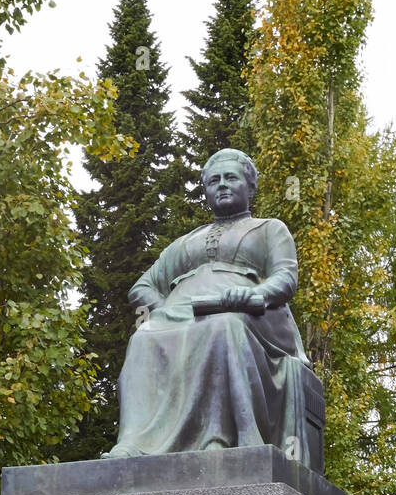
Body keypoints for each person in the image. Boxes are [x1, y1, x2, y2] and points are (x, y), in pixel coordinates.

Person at [103, 148, 317, 463]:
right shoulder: (185, 243)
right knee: (143, 339)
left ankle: (218, 437)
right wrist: (162, 311)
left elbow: (285, 278)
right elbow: (143, 286)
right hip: (182, 317)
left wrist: (254, 295)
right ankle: (134, 441)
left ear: (250, 187)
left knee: (223, 325)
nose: (222, 185)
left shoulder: (270, 229)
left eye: (231, 178)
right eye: (214, 181)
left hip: (256, 318)